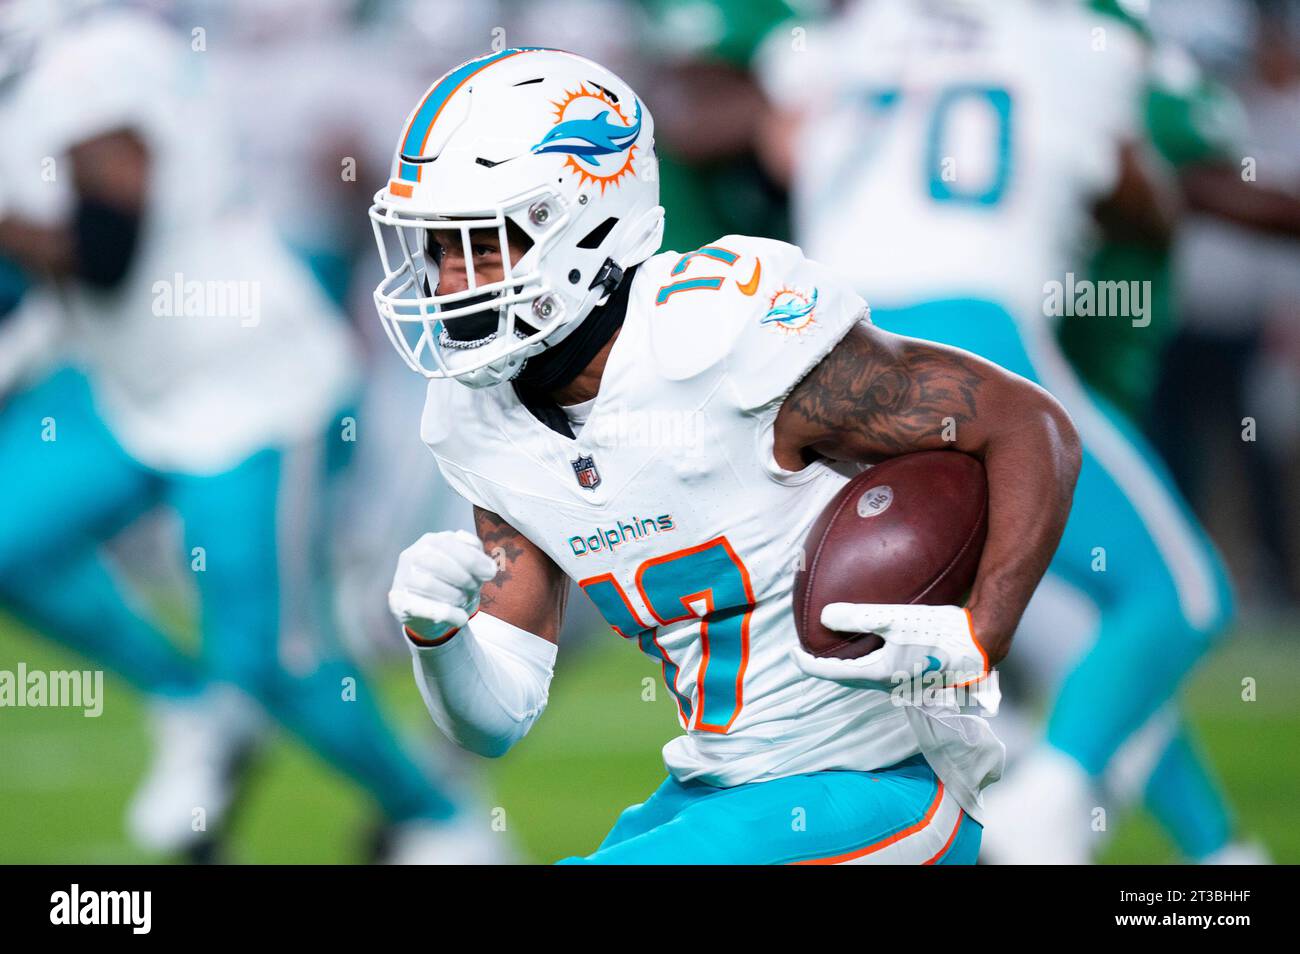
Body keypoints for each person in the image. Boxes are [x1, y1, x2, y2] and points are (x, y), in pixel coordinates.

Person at [371, 46, 1081, 864]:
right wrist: (438, 639)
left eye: (484, 244)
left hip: (876, 785)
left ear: (586, 224)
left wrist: (981, 632)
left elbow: (1029, 426)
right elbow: (498, 718)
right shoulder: (479, 417)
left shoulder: (721, 337)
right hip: (719, 789)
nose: (452, 281)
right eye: (436, 247)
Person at [757, 0, 1251, 862]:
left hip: (817, 347)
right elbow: (1150, 190)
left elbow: (783, 134)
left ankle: (1208, 852)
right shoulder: (1082, 42)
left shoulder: (838, 40)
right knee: (1179, 595)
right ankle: (1036, 811)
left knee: (1066, 631)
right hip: (972, 336)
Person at [0, 0, 490, 862]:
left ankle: (433, 820)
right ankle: (190, 699)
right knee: (13, 540)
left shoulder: (87, 64)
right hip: (130, 383)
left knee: (280, 659)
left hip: (249, 386)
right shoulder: (50, 71)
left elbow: (108, 249)